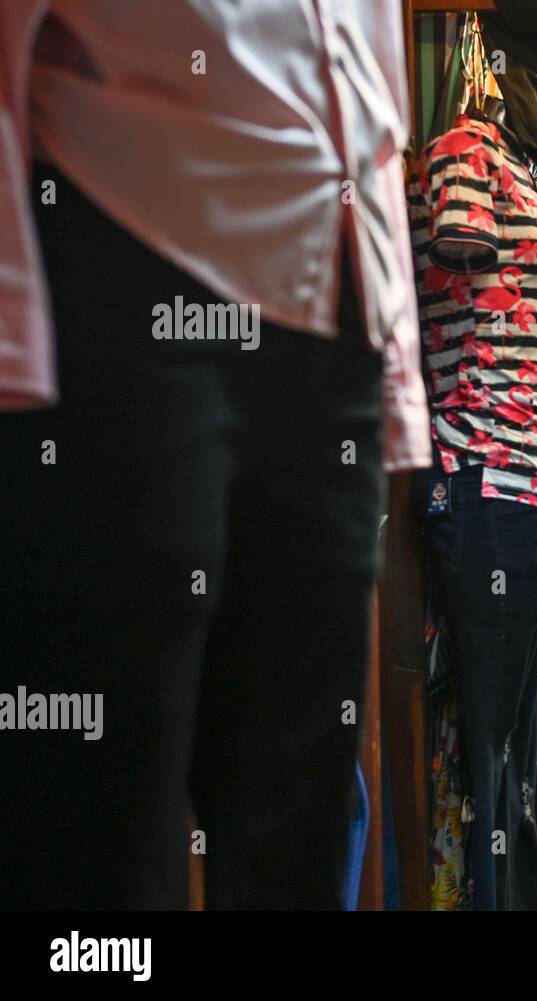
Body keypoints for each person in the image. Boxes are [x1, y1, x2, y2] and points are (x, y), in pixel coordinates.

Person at [0, 0, 428, 909]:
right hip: (125, 253)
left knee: (299, 806)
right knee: (109, 805)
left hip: (335, 298)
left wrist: (389, 374)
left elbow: (365, 84)